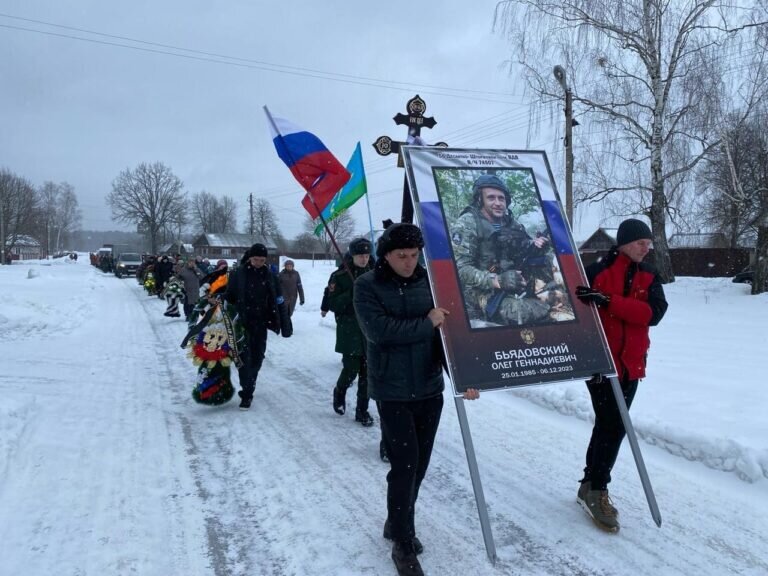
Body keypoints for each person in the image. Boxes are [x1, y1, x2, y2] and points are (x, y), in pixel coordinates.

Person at [354, 223, 477, 576]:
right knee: (404, 465)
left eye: (413, 255)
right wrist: (427, 322)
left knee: (419, 466)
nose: (409, 263)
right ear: (385, 256)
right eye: (400, 256)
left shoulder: (432, 283)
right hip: (392, 390)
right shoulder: (368, 285)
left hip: (428, 387)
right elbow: (379, 332)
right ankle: (403, 543)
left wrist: (465, 377)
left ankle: (396, 523)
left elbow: (447, 337)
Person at [574, 218, 668, 533]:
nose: (647, 248)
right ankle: (597, 488)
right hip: (601, 362)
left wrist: (611, 302)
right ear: (626, 242)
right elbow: (576, 310)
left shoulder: (650, 274)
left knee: (612, 424)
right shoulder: (597, 271)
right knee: (614, 425)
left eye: (649, 243)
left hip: (631, 364)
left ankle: (590, 483)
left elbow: (653, 314)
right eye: (642, 242)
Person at [451, 174, 555, 326]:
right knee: (521, 312)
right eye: (491, 198)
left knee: (552, 263)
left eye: (501, 198)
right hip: (479, 290)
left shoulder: (511, 223)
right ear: (480, 200)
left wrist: (537, 245)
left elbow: (524, 248)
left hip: (514, 281)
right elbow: (461, 270)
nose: (498, 203)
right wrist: (496, 280)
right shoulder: (467, 223)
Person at [224, 243, 292, 410]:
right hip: (243, 323)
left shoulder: (270, 275)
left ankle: (249, 384)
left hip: (262, 322)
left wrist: (285, 324)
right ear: (250, 258)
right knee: (243, 358)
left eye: (262, 260)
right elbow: (230, 296)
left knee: (258, 357)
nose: (259, 263)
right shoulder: (238, 274)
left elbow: (279, 300)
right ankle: (247, 392)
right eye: (256, 259)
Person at [328, 238, 375, 426]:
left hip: (371, 330)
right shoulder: (339, 276)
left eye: (366, 255)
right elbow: (333, 303)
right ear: (352, 255)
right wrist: (352, 293)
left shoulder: (376, 273)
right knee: (351, 369)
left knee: (368, 374)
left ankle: (362, 411)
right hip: (350, 329)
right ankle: (340, 391)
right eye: (360, 255)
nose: (364, 259)